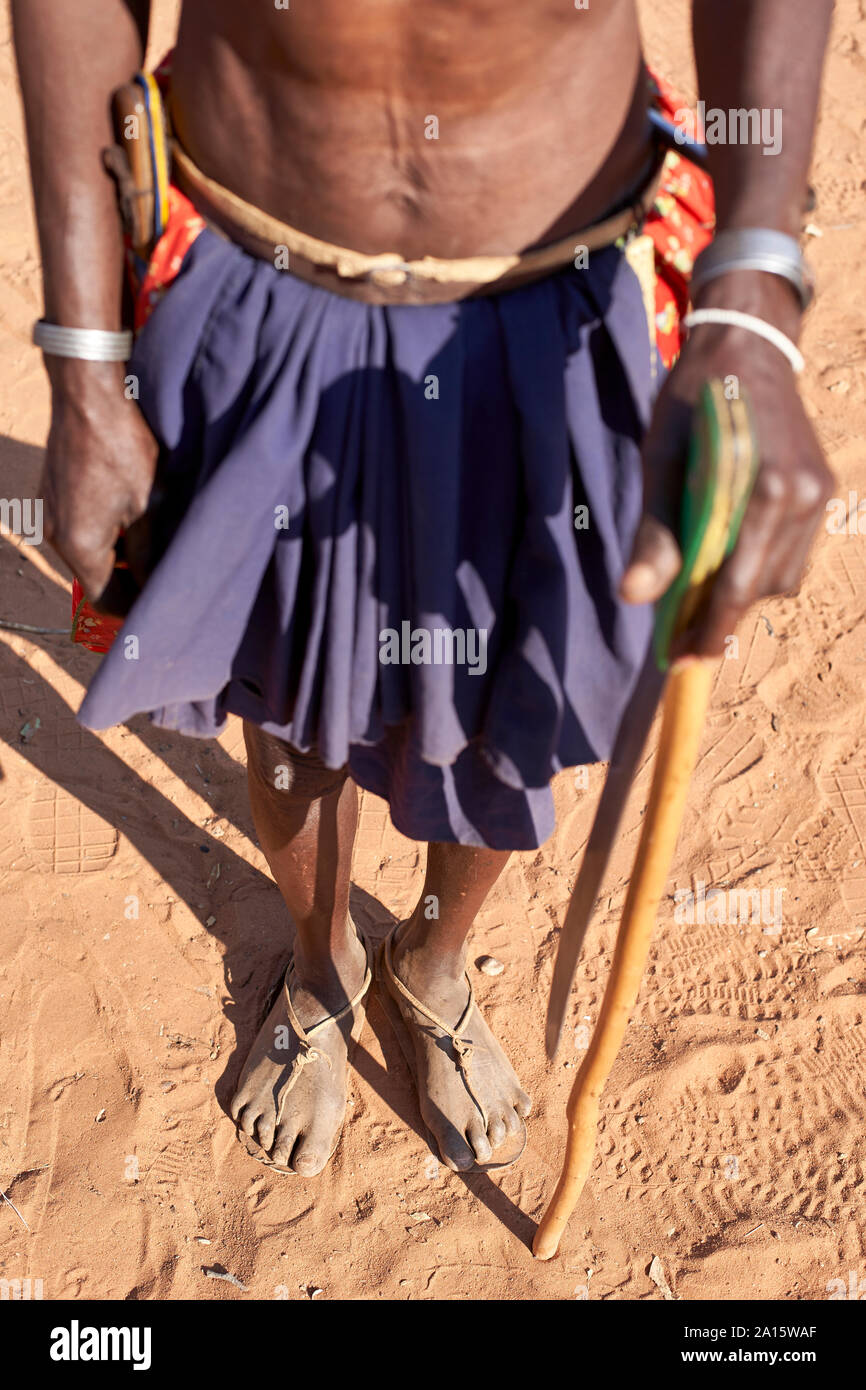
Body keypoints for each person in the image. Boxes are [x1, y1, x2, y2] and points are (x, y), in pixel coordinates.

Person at [12, 0, 834, 1177]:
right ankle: (319, 967)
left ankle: (432, 963)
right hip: (258, 288)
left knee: (508, 700)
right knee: (290, 706)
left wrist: (750, 296)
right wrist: (86, 367)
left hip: (557, 309)